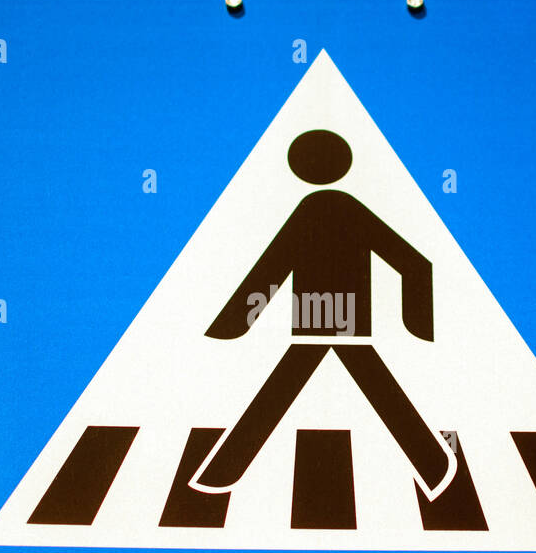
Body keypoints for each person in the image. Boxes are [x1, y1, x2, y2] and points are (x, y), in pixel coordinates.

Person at [190, 129, 456, 499]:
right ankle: (435, 467)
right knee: (362, 389)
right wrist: (416, 321)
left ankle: (220, 473)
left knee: (287, 392)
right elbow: (411, 263)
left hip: (314, 316)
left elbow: (273, 267)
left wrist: (237, 321)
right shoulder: (346, 209)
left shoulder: (315, 209)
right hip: (345, 320)